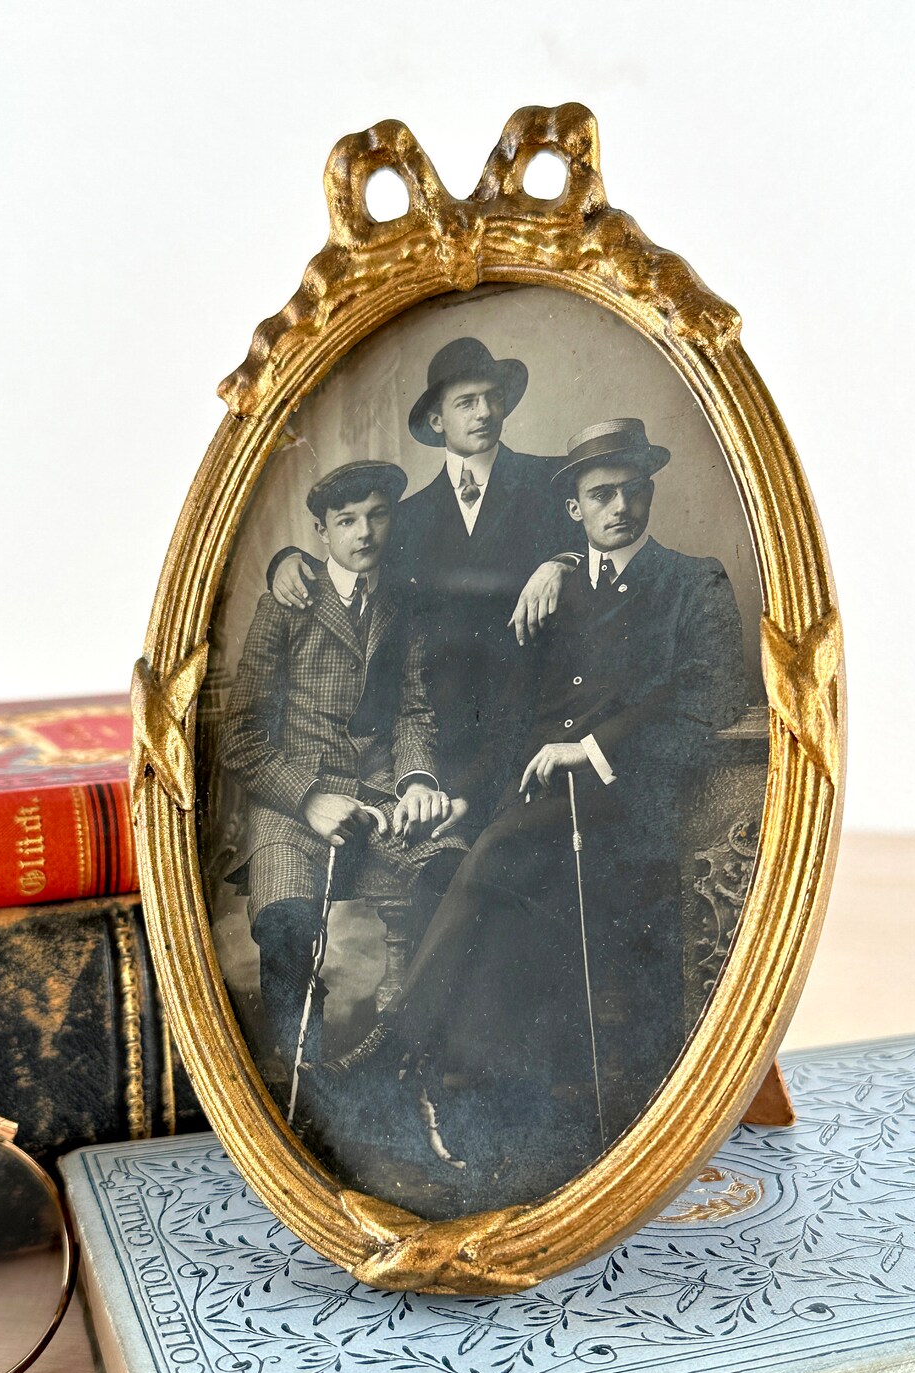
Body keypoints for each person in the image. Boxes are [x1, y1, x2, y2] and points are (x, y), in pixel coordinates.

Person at [381, 419, 749, 1208]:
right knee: (463, 869)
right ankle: (489, 1126)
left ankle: (399, 1053)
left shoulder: (693, 582)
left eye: (633, 489)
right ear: (574, 510)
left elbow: (711, 694)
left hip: (631, 808)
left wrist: (594, 750)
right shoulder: (554, 590)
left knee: (505, 856)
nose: (620, 505)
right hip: (537, 805)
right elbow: (518, 723)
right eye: (601, 494)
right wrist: (464, 795)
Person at [216, 461, 467, 1123]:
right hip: (291, 805)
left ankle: (404, 1066)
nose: (364, 532)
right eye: (348, 520)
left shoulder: (400, 607)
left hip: (378, 797)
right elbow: (240, 734)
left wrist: (416, 781)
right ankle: (302, 1091)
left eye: (377, 515)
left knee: (454, 877)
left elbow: (414, 713)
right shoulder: (286, 606)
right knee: (286, 926)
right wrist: (305, 798)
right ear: (322, 531)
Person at [268, 338, 578, 830]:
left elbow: (604, 548)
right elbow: (353, 556)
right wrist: (286, 560)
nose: (485, 412)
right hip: (445, 732)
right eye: (466, 402)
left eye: (492, 398)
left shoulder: (548, 481)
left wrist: (561, 561)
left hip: (536, 715)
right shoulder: (408, 517)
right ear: (437, 422)